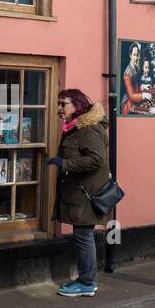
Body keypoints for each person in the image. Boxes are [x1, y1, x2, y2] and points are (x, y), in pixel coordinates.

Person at [48, 88, 110, 296]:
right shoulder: (75, 128)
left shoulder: (88, 129)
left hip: (86, 195)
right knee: (83, 235)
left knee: (83, 236)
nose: (59, 108)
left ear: (77, 105)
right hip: (80, 193)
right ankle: (86, 280)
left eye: (62, 104)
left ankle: (86, 283)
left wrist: (64, 163)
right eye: (58, 104)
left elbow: (96, 159)